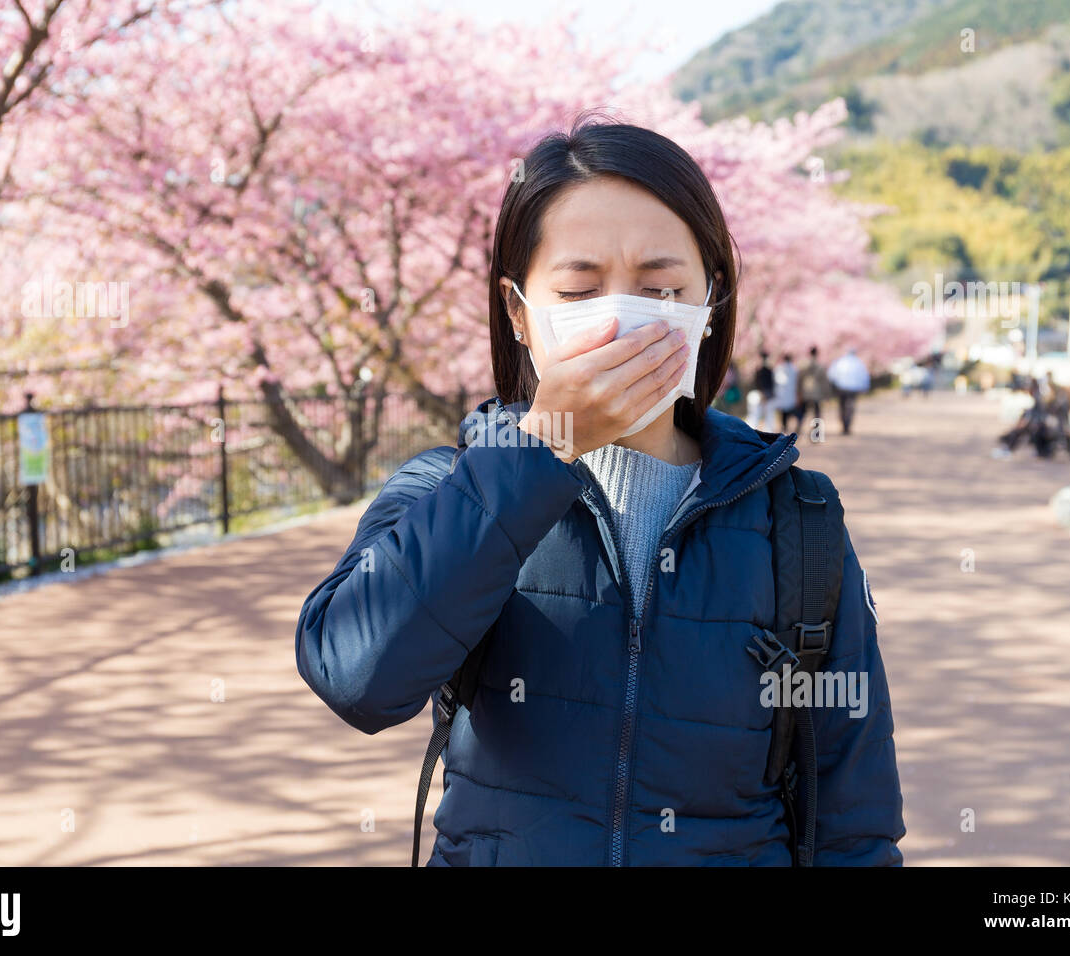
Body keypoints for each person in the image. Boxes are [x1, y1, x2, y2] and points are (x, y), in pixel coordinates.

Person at [296, 117, 904, 867]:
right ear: (520, 313)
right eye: (581, 288)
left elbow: (853, 815)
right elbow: (357, 677)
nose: (623, 316)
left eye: (661, 288)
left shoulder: (796, 521)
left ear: (709, 302)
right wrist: (543, 446)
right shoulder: (450, 487)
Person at [827, 347, 871, 435]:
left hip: (841, 387)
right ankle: (847, 424)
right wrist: (865, 387)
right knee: (851, 407)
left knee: (842, 406)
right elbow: (864, 376)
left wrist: (833, 385)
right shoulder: (859, 363)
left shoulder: (840, 361)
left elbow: (832, 374)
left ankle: (843, 423)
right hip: (853, 389)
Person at [798, 346, 831, 431]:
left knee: (802, 413)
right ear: (817, 353)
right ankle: (815, 434)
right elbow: (824, 382)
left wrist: (798, 392)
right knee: (817, 415)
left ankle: (798, 430)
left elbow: (799, 380)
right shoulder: (820, 366)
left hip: (805, 392)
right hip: (817, 394)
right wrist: (827, 395)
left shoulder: (803, 365)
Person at [770, 352, 801, 433]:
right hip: (791, 393)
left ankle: (784, 427)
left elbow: (775, 380)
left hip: (781, 393)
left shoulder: (779, 368)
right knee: (790, 410)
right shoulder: (794, 369)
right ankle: (793, 425)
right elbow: (797, 382)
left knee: (783, 411)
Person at [748, 351, 775, 431]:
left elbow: (755, 383)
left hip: (758, 394)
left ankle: (751, 430)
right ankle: (767, 432)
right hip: (766, 395)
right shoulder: (769, 370)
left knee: (755, 415)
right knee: (767, 415)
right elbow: (771, 384)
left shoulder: (758, 370)